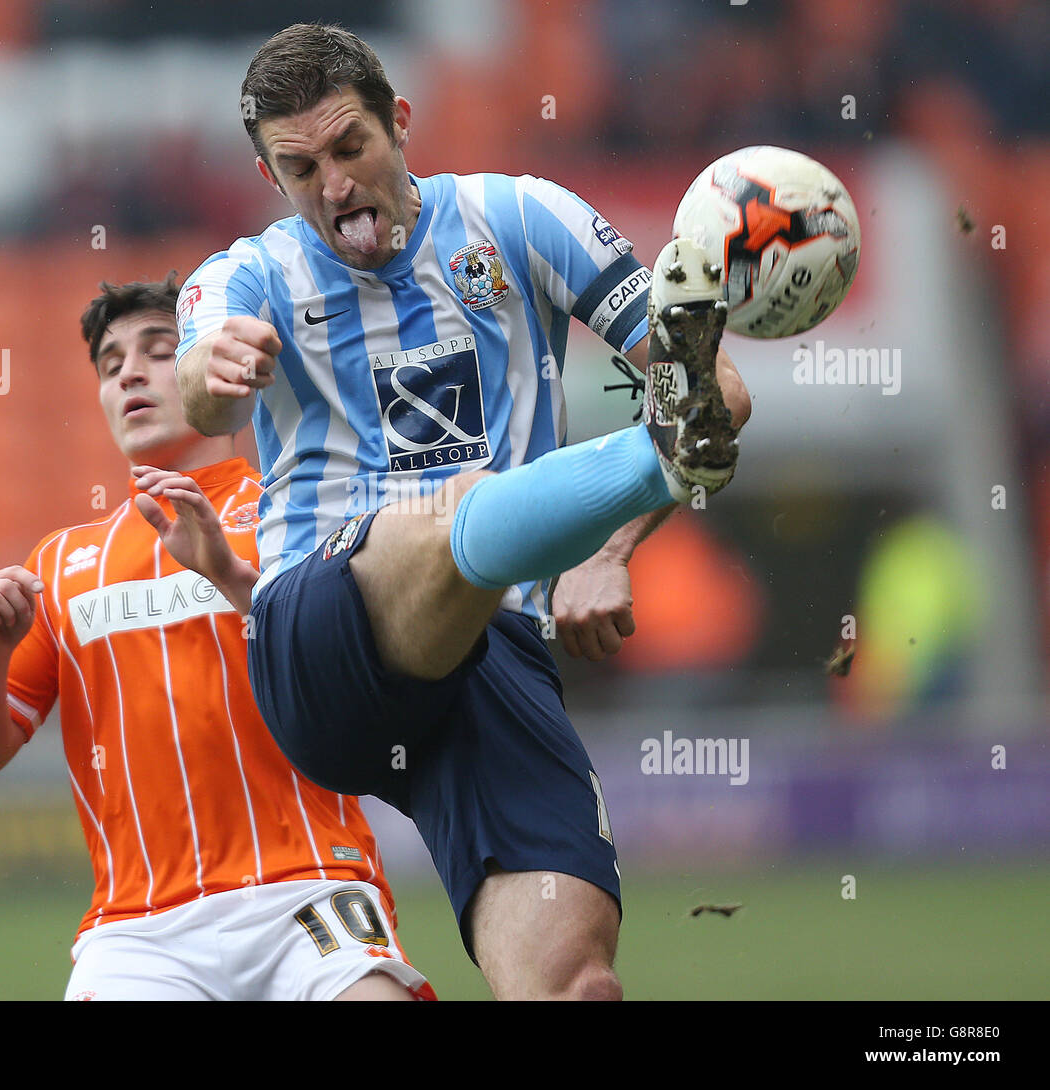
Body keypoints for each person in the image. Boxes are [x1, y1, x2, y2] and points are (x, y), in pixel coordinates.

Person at [174, 24, 752, 1000]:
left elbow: (714, 388)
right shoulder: (249, 275)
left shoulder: (520, 219)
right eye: (299, 166)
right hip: (317, 634)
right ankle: (650, 465)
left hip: (497, 647)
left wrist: (604, 550)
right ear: (270, 177)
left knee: (576, 983)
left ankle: (635, 475)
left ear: (400, 120)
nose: (333, 184)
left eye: (350, 146)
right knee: (456, 512)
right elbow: (202, 385)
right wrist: (212, 369)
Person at [0, 273, 433, 1002]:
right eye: (111, 366)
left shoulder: (298, 517)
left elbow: (358, 687)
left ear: (215, 373)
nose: (129, 373)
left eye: (159, 352)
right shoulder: (61, 563)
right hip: (140, 929)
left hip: (306, 885)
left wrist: (235, 577)